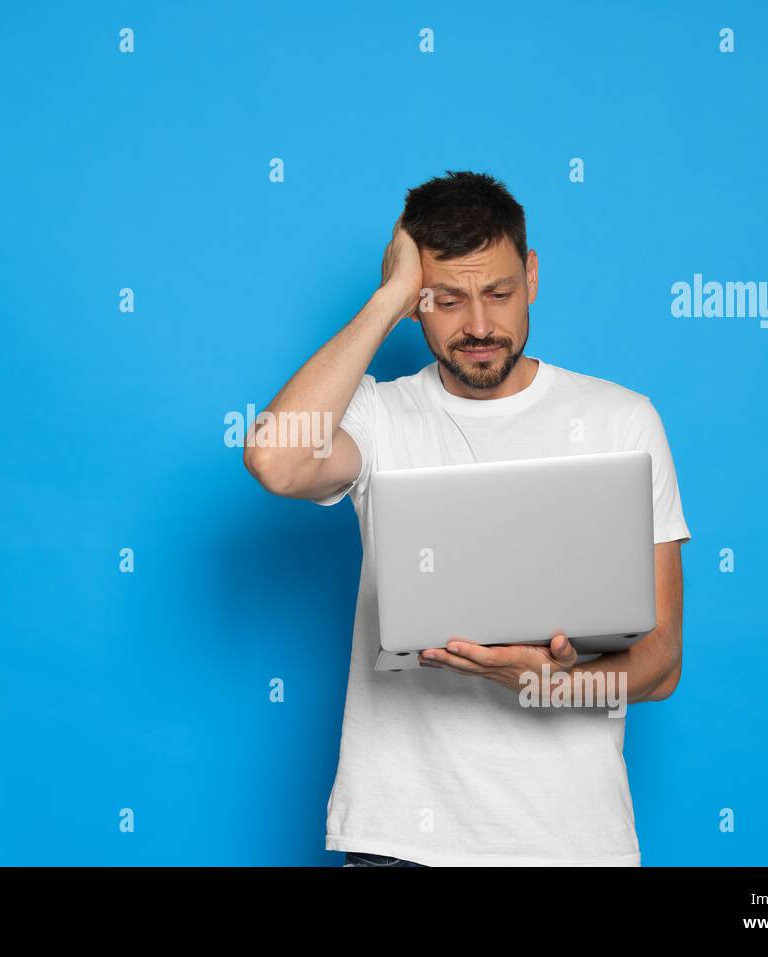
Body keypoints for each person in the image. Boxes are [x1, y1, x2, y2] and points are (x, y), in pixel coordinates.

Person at [243, 171, 690, 867]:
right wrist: (387, 298)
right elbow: (276, 461)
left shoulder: (622, 420)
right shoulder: (377, 415)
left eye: (499, 293)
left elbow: (661, 666)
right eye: (446, 300)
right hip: (399, 840)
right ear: (416, 301)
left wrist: (547, 681)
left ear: (532, 274)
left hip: (571, 844)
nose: (479, 326)